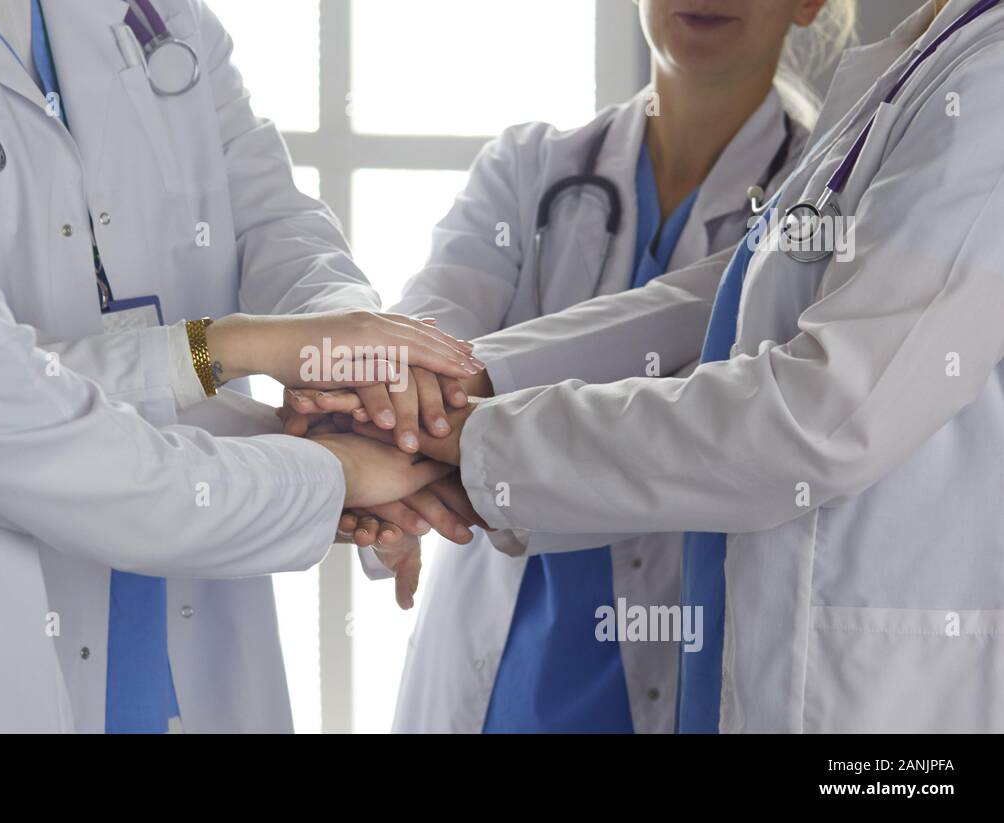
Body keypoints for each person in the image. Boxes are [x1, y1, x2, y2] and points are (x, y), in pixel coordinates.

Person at [0, 0, 471, 732]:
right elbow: (86, 454)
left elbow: (274, 217)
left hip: (157, 577)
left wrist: (368, 374)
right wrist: (345, 461)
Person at [358, 0, 1004, 733]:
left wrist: (460, 438)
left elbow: (827, 412)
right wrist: (433, 406)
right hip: (520, 655)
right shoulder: (923, 68)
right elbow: (708, 298)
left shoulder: (981, 80)